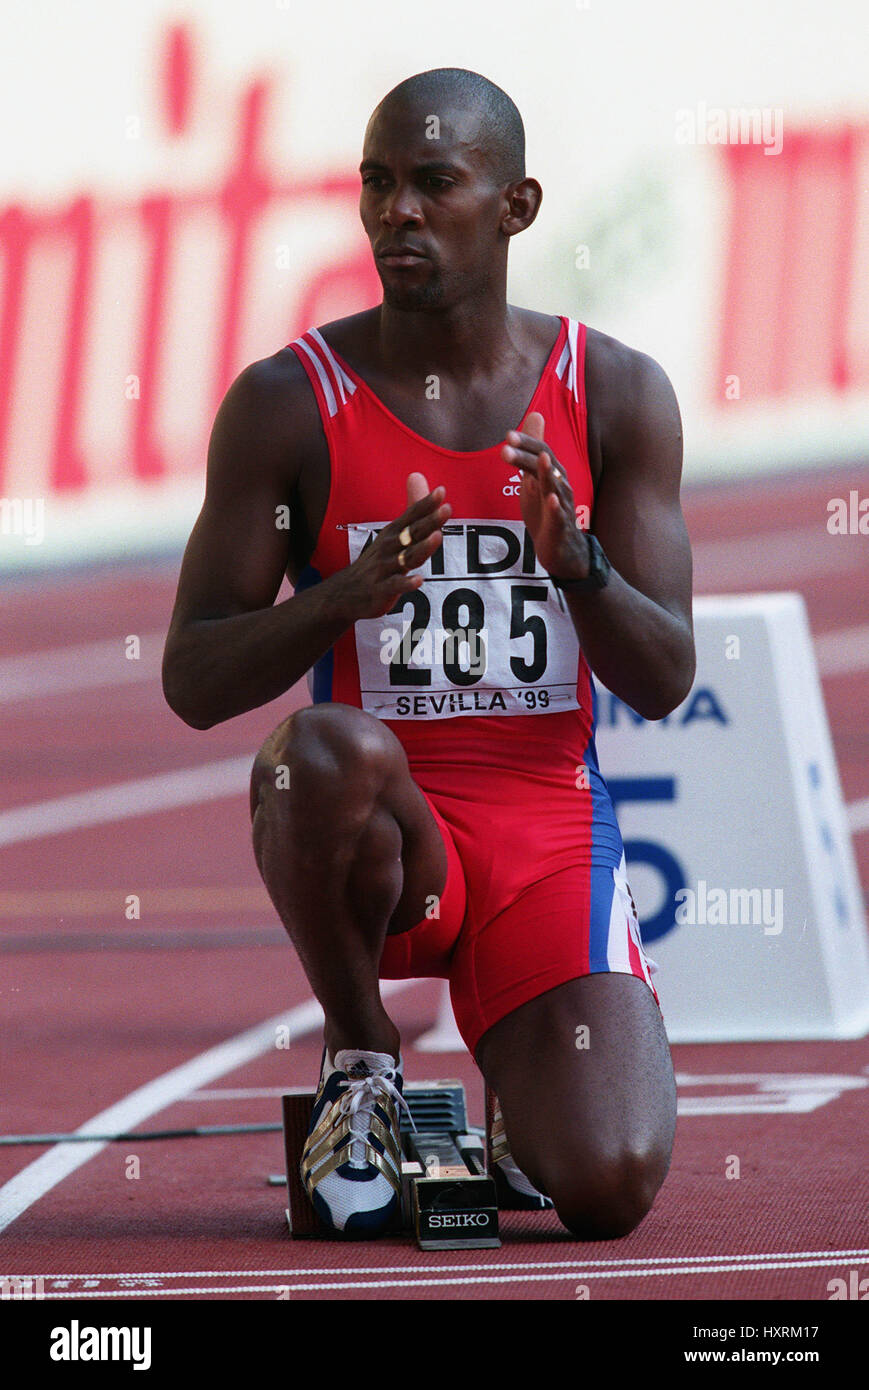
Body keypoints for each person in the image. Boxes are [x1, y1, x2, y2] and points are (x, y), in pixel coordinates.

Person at [162, 67, 695, 1241]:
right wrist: (339, 598)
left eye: (433, 184)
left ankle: (517, 1104)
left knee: (603, 1187)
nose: (396, 211)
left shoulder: (609, 393)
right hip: (388, 829)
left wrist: (579, 568)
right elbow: (192, 678)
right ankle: (363, 1061)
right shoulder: (287, 405)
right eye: (378, 183)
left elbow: (664, 676)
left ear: (515, 206)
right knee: (325, 748)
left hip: (547, 826)